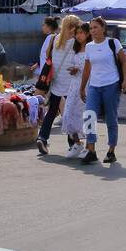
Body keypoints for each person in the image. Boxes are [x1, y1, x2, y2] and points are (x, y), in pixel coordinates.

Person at [79, 17, 126, 165]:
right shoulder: (89, 47)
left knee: (111, 118)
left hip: (111, 84)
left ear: (103, 28)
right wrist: (82, 87)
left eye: (95, 27)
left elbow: (124, 61)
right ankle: (92, 150)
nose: (92, 31)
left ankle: (111, 151)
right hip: (94, 86)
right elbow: (87, 69)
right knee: (89, 116)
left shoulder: (113, 43)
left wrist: (125, 80)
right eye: (91, 28)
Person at [37, 15, 80, 156]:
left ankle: (42, 138)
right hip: (70, 82)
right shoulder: (76, 42)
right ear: (73, 27)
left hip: (56, 81)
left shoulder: (54, 39)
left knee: (52, 111)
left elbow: (49, 57)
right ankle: (72, 142)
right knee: (70, 113)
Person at [58, 21, 91, 158]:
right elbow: (74, 65)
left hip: (88, 85)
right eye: (77, 33)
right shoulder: (76, 49)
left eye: (81, 33)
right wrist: (74, 69)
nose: (78, 36)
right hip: (74, 86)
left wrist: (80, 69)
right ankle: (77, 143)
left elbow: (92, 68)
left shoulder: (91, 48)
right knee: (68, 113)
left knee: (86, 115)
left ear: (87, 34)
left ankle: (89, 146)